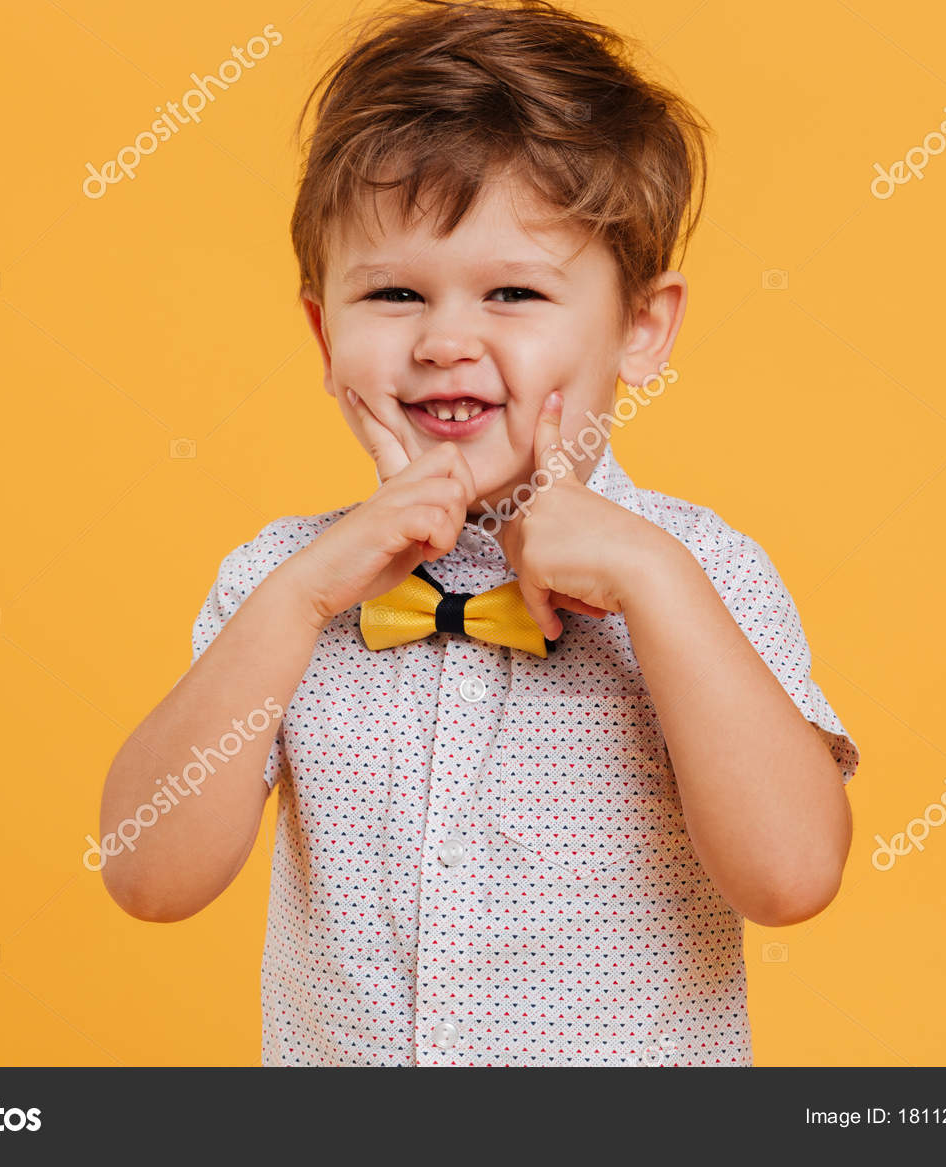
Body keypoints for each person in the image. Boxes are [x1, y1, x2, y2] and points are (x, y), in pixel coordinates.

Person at [97, 0, 861, 1067]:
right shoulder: (280, 581)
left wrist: (655, 581)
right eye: (396, 292)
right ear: (325, 332)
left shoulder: (700, 571)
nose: (447, 340)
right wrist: (298, 601)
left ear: (640, 329)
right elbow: (147, 875)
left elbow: (789, 880)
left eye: (513, 291)